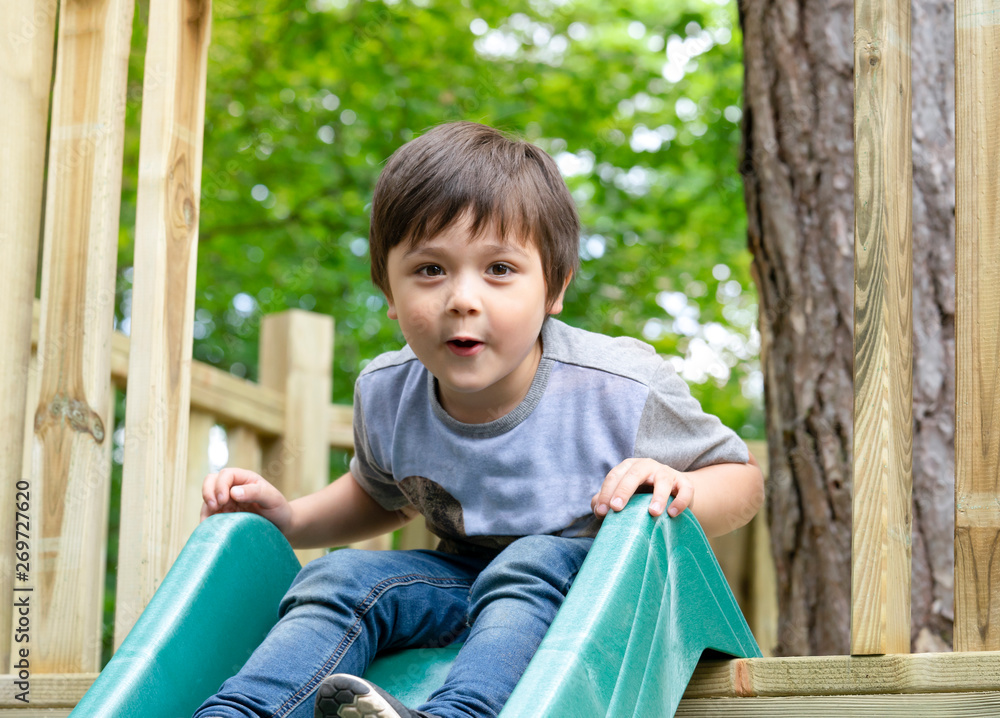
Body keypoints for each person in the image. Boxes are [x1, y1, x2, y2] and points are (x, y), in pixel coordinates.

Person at [193, 121, 764, 718]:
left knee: (528, 562)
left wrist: (685, 487)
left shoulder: (617, 387)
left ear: (554, 287)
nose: (463, 298)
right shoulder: (388, 392)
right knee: (341, 577)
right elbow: (379, 493)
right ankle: (243, 711)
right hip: (465, 584)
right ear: (388, 290)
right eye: (430, 270)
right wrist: (290, 518)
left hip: (601, 602)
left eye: (499, 269)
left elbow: (743, 479)